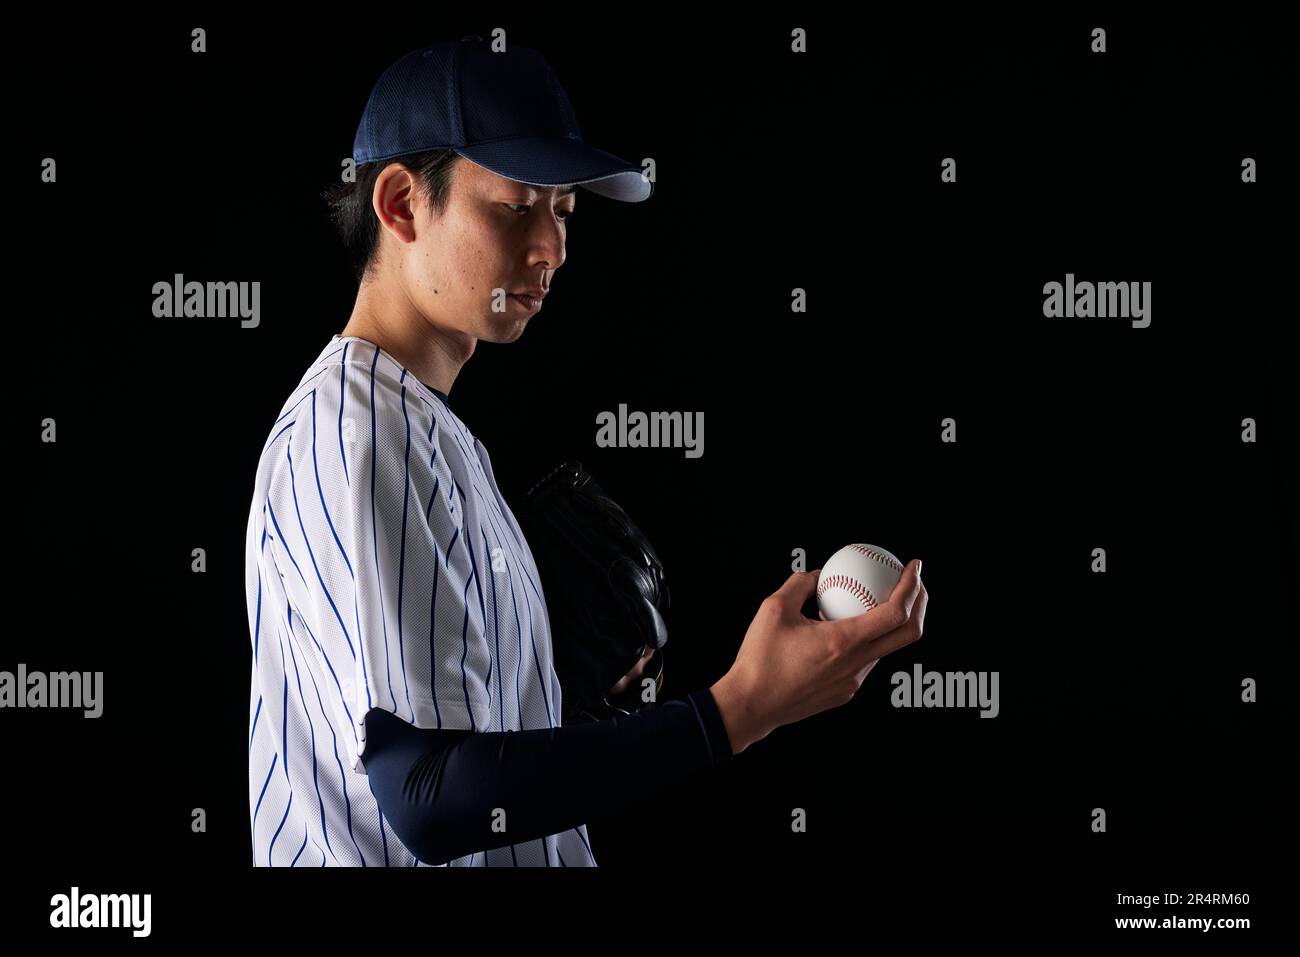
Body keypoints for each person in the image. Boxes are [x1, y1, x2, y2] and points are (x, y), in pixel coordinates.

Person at [244, 38, 928, 868]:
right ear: (400, 204)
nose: (553, 249)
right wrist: (737, 709)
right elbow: (427, 797)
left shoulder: (423, 426)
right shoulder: (360, 428)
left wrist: (554, 708)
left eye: (563, 211)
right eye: (516, 206)